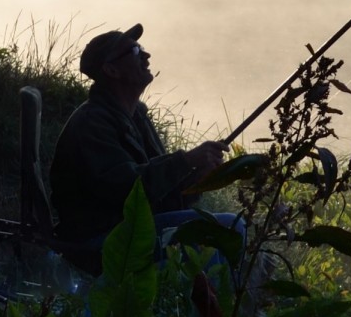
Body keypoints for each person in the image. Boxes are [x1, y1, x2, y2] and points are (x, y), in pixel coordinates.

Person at [49, 23, 242, 272]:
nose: (147, 56)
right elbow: (128, 191)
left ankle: (221, 307)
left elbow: (158, 196)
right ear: (112, 70)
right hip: (103, 240)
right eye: (136, 52)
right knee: (226, 230)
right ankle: (210, 310)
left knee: (233, 228)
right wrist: (185, 160)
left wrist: (197, 179)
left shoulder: (134, 114)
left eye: (142, 48)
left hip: (132, 228)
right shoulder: (93, 123)